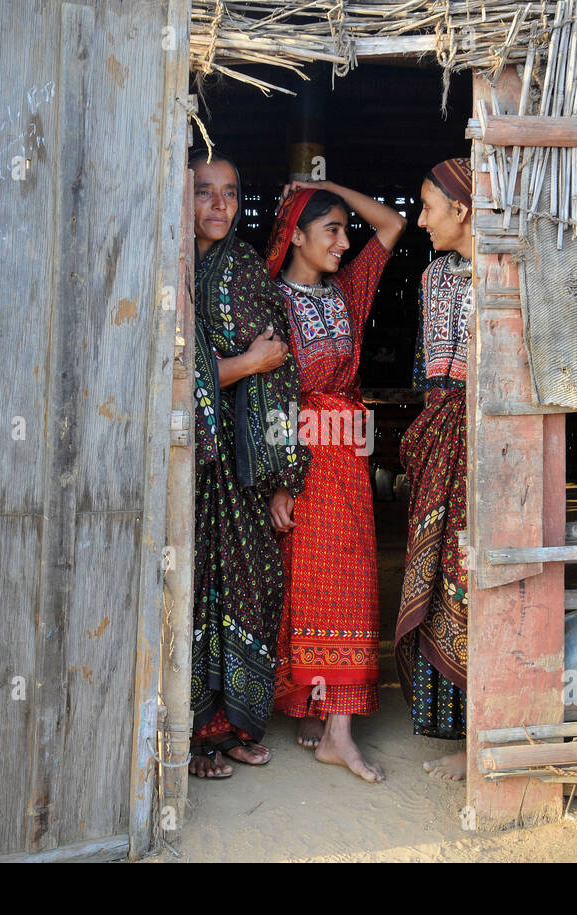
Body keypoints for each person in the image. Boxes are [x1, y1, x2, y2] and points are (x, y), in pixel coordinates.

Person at [265, 180, 405, 783]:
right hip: (300, 458)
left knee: (349, 582)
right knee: (306, 587)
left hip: (345, 458)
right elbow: (263, 397)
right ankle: (320, 711)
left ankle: (338, 730)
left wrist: (329, 188)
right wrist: (279, 481)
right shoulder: (269, 302)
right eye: (331, 229)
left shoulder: (346, 293)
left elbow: (393, 224)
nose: (345, 242)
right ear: (296, 235)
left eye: (347, 229)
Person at [188, 151, 308, 780]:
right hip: (184, 470)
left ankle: (232, 728)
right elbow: (168, 375)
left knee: (245, 592)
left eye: (229, 193)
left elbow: (280, 374)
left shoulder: (246, 274)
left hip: (239, 473)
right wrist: (239, 367)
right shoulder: (173, 271)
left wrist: (284, 476)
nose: (218, 206)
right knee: (186, 596)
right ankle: (189, 737)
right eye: (204, 192)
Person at [394, 158, 473, 781]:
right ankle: (456, 727)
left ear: (463, 211)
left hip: (493, 443)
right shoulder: (435, 278)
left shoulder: (511, 270)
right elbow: (433, 375)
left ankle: (485, 740)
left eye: (428, 207)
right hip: (447, 432)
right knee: (445, 575)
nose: (421, 220)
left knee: (481, 579)